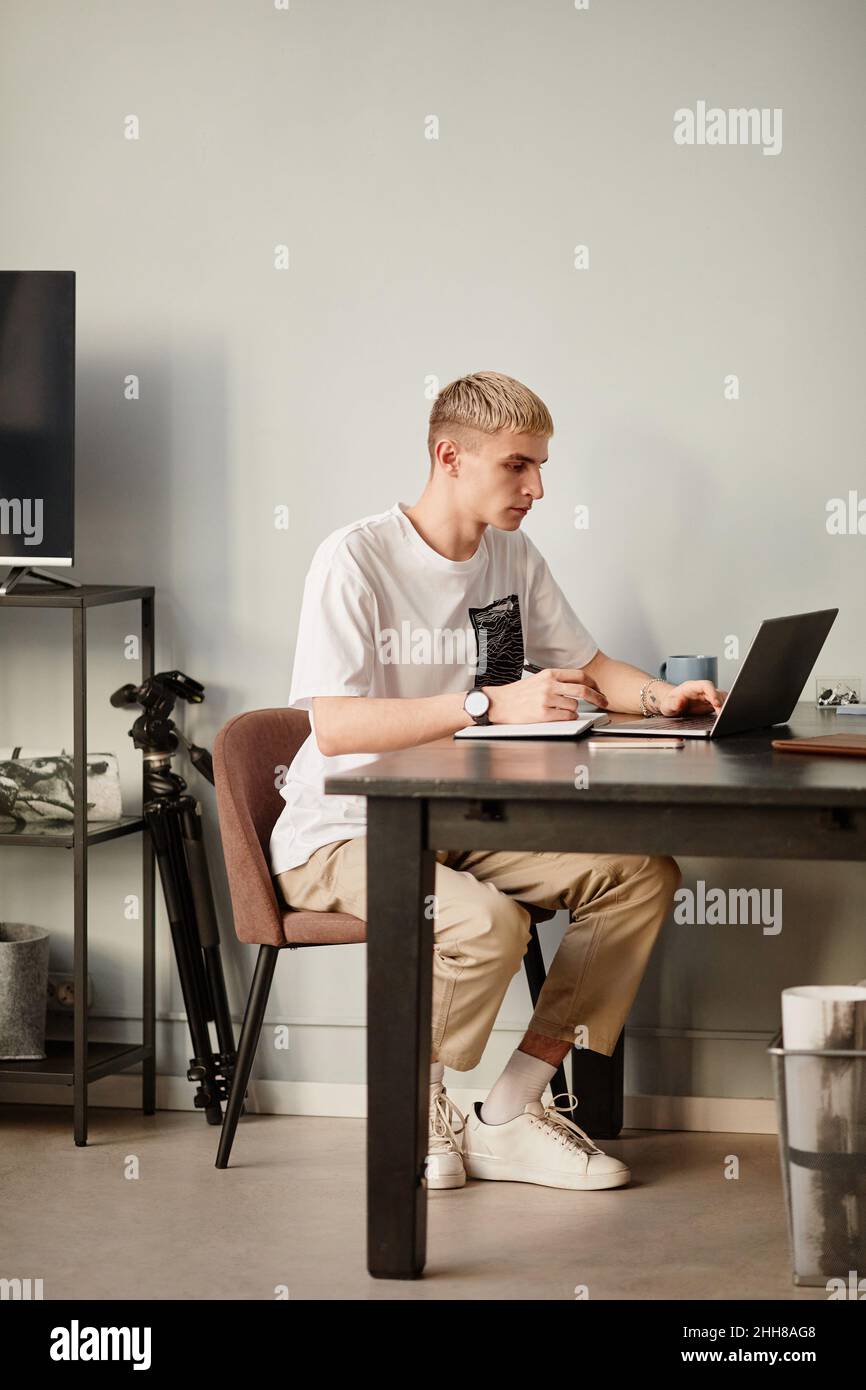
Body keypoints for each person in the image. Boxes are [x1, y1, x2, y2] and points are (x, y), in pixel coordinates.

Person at [270, 370, 727, 1193]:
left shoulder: (512, 554)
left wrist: (668, 698)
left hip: (462, 822)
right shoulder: (355, 558)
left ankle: (511, 1110)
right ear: (451, 455)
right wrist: (485, 703)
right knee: (483, 922)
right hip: (342, 833)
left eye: (541, 466)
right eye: (518, 465)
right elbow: (335, 724)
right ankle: (420, 1108)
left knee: (640, 876)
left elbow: (589, 667)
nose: (538, 487)